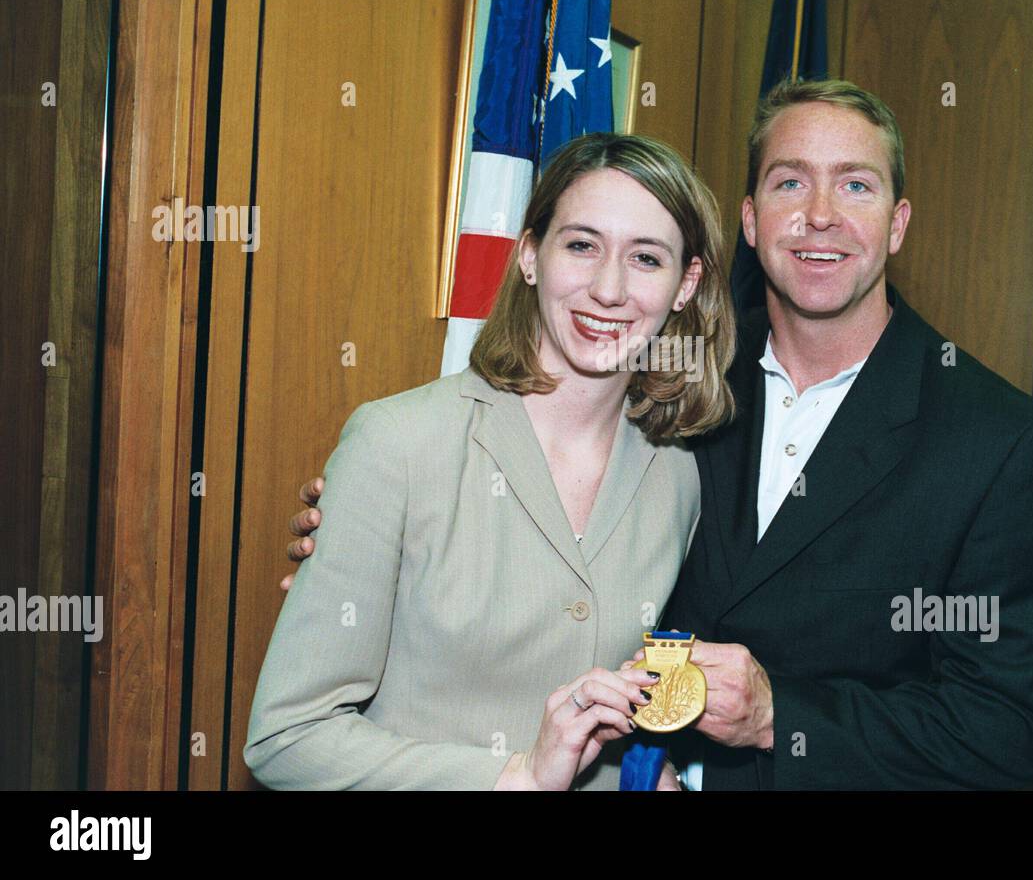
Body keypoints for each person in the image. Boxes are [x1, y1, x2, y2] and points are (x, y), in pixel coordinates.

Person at [289, 77, 1033, 790]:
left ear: (898, 223)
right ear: (751, 219)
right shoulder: (673, 389)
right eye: (790, 182)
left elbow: (1006, 729)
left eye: (857, 185)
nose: (821, 215)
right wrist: (374, 545)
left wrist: (781, 718)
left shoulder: (998, 442)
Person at [244, 131, 736, 790]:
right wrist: (517, 778)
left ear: (686, 284)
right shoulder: (400, 442)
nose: (609, 288)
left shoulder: (677, 471)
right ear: (530, 255)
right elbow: (288, 738)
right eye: (582, 245)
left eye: (646, 258)